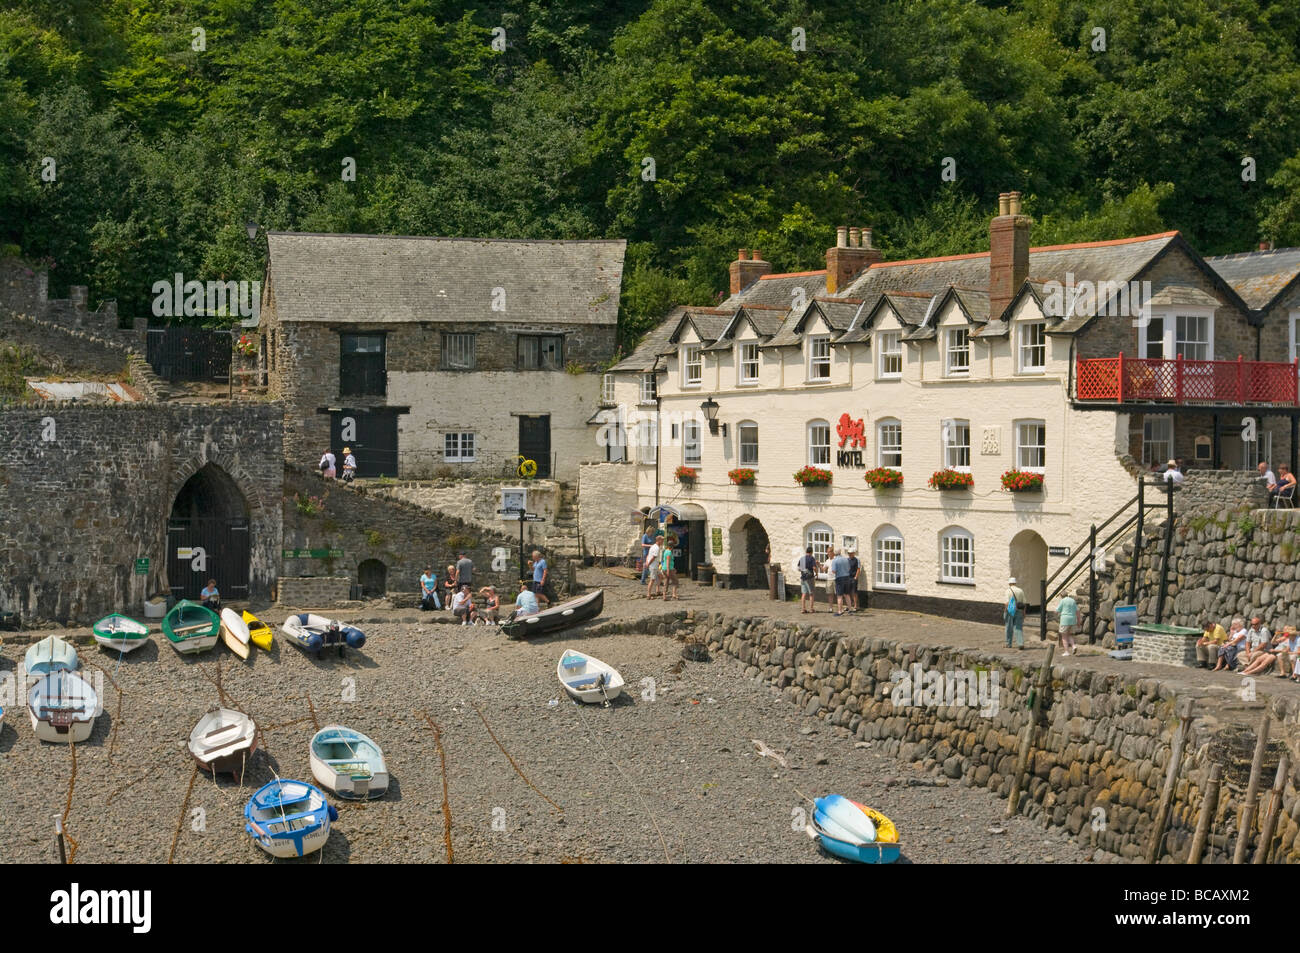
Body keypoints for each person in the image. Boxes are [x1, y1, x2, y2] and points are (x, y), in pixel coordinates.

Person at [1004, 577, 1026, 650]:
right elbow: (1024, 603)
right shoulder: (1020, 590)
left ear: (1009, 583)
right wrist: (1024, 612)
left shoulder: (1008, 591)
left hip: (1010, 610)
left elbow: (1007, 603)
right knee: (1018, 627)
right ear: (1015, 583)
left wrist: (1006, 611)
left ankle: (1008, 643)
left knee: (1009, 627)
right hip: (1019, 610)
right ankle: (1020, 643)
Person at [830, 548, 852, 616]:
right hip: (847, 577)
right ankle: (850, 610)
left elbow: (833, 571)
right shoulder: (846, 559)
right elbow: (849, 568)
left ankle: (840, 611)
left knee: (839, 596)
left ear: (834, 553)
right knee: (847, 594)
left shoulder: (834, 561)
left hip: (839, 578)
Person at [798, 546, 819, 614]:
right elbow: (814, 567)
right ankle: (811, 609)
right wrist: (817, 573)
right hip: (810, 578)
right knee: (811, 594)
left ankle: (803, 609)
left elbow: (799, 568)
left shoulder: (802, 558)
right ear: (811, 552)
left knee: (803, 594)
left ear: (806, 551)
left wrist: (804, 571)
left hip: (803, 578)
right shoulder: (811, 558)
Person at [645, 534, 663, 599]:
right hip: (654, 566)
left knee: (660, 576)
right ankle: (648, 595)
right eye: (662, 540)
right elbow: (653, 557)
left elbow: (648, 555)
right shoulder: (656, 548)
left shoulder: (653, 546)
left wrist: (647, 562)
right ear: (658, 540)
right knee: (652, 580)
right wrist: (648, 564)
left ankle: (657, 591)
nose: (663, 542)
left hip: (656, 566)